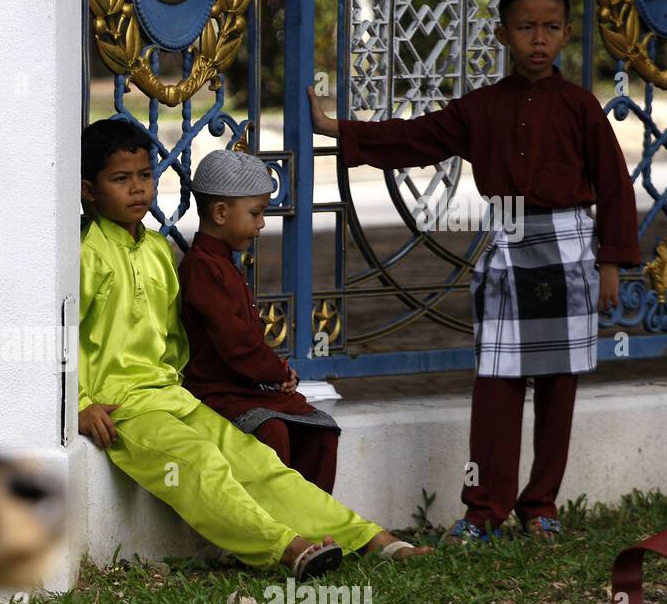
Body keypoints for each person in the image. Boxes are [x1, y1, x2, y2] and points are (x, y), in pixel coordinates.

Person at [307, 0, 641, 543]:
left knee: (560, 385)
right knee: (497, 386)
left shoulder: (582, 108)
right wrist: (340, 129)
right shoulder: (480, 108)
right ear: (501, 33)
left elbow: (614, 186)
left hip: (569, 251)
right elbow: (415, 138)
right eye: (525, 27)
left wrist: (609, 265)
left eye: (551, 27)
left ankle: (541, 506)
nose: (538, 39)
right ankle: (484, 508)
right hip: (509, 251)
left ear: (565, 32)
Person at [78, 118, 431, 579]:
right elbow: (60, 336)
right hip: (123, 409)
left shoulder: (159, 252)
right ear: (88, 190)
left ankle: (371, 538)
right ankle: (286, 548)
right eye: (121, 179)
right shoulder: (84, 254)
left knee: (256, 461)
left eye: (145, 176)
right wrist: (81, 405)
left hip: (171, 396)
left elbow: (174, 341)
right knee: (201, 464)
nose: (138, 189)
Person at [179, 149, 341, 493]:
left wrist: (277, 374)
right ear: (221, 213)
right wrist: (277, 373)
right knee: (272, 432)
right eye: (256, 213)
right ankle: (279, 534)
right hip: (217, 392)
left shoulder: (223, 263)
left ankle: (316, 523)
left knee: (321, 431)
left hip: (248, 388)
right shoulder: (202, 267)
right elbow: (236, 343)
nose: (262, 224)